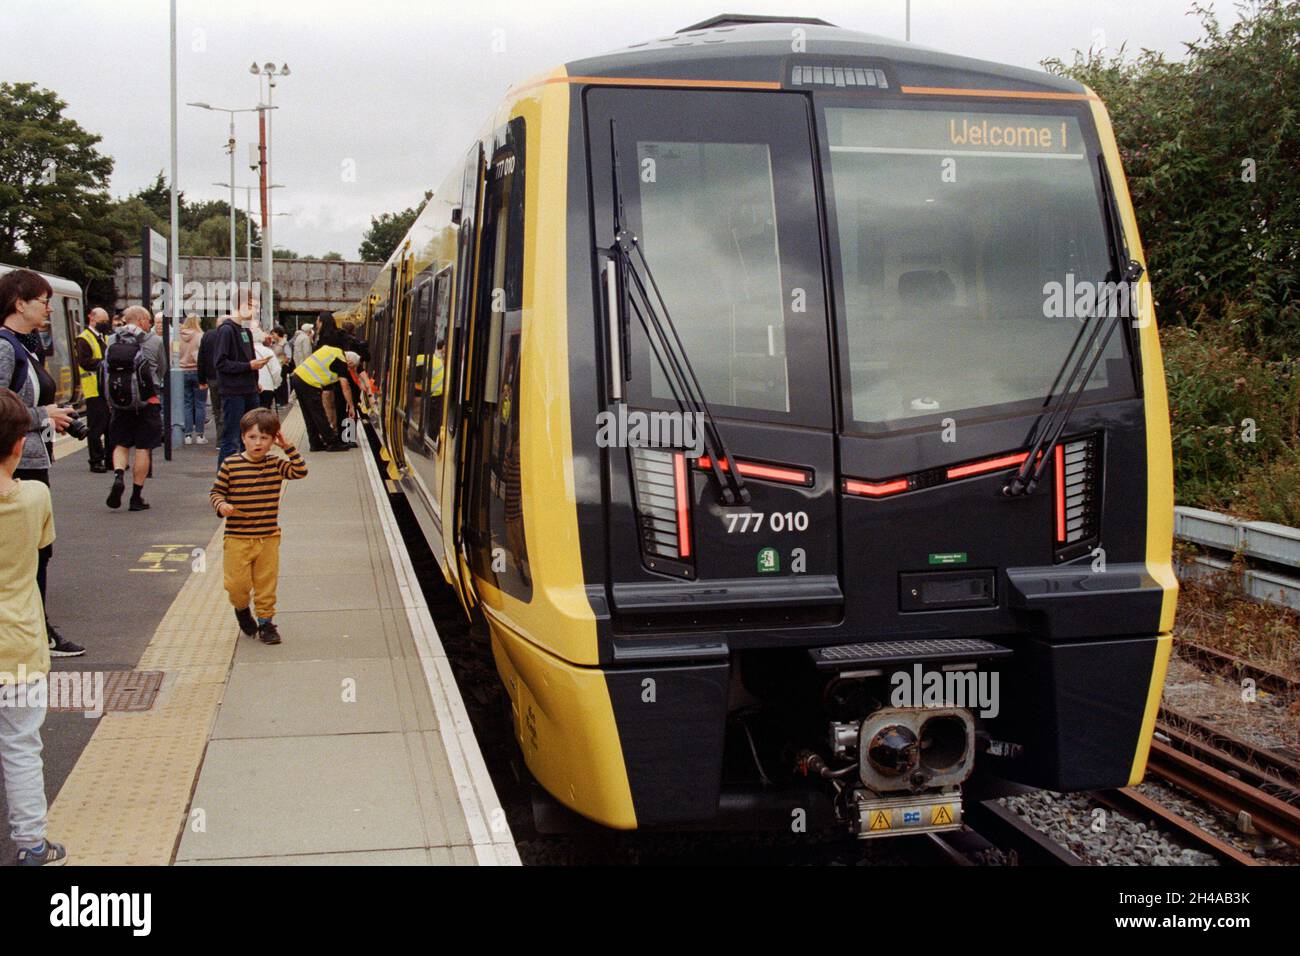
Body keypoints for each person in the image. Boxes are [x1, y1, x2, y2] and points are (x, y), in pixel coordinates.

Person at [0, 388, 68, 865]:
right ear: (19, 446)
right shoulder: (36, 496)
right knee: (22, 748)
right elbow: (43, 546)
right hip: (21, 646)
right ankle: (31, 844)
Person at [0, 269, 83, 659]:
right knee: (30, 549)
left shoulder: (21, 345)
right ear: (19, 303)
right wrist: (41, 415)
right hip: (17, 461)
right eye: (42, 300)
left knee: (37, 548)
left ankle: (36, 624)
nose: (49, 307)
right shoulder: (5, 347)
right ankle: (37, 631)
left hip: (30, 454)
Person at [209, 407, 307, 645]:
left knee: (266, 584)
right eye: (252, 437)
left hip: (268, 538)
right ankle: (242, 609)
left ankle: (266, 624)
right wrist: (222, 505)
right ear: (243, 438)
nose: (258, 443)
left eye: (265, 438)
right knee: (236, 586)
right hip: (237, 538)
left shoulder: (275, 464)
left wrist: (287, 447)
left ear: (273, 440)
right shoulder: (231, 465)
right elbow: (217, 492)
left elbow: (300, 471)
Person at [103, 306, 164, 511]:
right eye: (147, 320)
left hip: (120, 402)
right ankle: (136, 497)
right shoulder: (154, 341)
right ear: (139, 320)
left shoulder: (111, 340)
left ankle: (119, 475)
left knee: (120, 443)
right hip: (147, 402)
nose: (149, 324)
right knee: (142, 448)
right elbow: (162, 369)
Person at [211, 292, 271, 467]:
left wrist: (254, 380)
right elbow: (220, 363)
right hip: (233, 392)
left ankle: (246, 474)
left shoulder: (245, 331)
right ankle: (223, 480)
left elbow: (247, 359)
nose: (255, 311)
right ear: (241, 305)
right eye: (253, 306)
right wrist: (249, 367)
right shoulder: (227, 330)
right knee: (232, 438)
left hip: (249, 389)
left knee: (251, 435)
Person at [291, 345, 359, 452]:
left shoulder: (332, 350)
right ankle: (333, 443)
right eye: (351, 367)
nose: (349, 369)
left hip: (297, 377)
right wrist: (351, 406)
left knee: (309, 414)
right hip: (309, 383)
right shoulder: (341, 360)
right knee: (318, 414)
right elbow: (345, 387)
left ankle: (315, 443)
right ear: (349, 362)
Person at [75, 307, 112, 472]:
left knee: (109, 425)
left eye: (106, 321)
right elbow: (84, 361)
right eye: (102, 321)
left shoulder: (103, 337)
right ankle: (96, 460)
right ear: (92, 319)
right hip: (93, 389)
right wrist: (105, 363)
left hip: (104, 388)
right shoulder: (83, 338)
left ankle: (110, 458)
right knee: (96, 427)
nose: (105, 324)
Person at [177, 315, 207, 445]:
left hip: (182, 371)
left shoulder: (178, 336)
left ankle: (187, 435)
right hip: (197, 371)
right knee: (200, 404)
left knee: (187, 404)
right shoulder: (200, 336)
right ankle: (200, 435)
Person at [197, 317, 224, 440]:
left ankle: (220, 438)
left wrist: (202, 379)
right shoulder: (231, 335)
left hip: (212, 377)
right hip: (228, 377)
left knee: (216, 408)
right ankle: (225, 436)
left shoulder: (208, 335)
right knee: (227, 407)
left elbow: (201, 358)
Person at [252, 327, 282, 410]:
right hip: (267, 386)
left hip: (251, 387)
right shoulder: (268, 351)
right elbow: (277, 370)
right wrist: (276, 384)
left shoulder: (245, 351)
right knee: (264, 414)